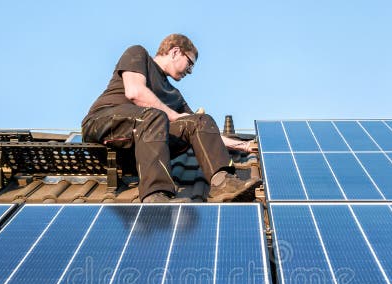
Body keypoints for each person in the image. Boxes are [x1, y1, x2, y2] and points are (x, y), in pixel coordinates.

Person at [81, 34, 259, 203]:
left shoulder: (175, 95)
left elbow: (202, 131)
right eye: (189, 64)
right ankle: (156, 194)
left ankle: (223, 183)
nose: (190, 71)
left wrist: (244, 146)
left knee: (200, 120)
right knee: (154, 115)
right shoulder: (138, 54)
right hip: (104, 123)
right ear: (175, 52)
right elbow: (135, 92)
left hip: (138, 148)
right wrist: (172, 115)